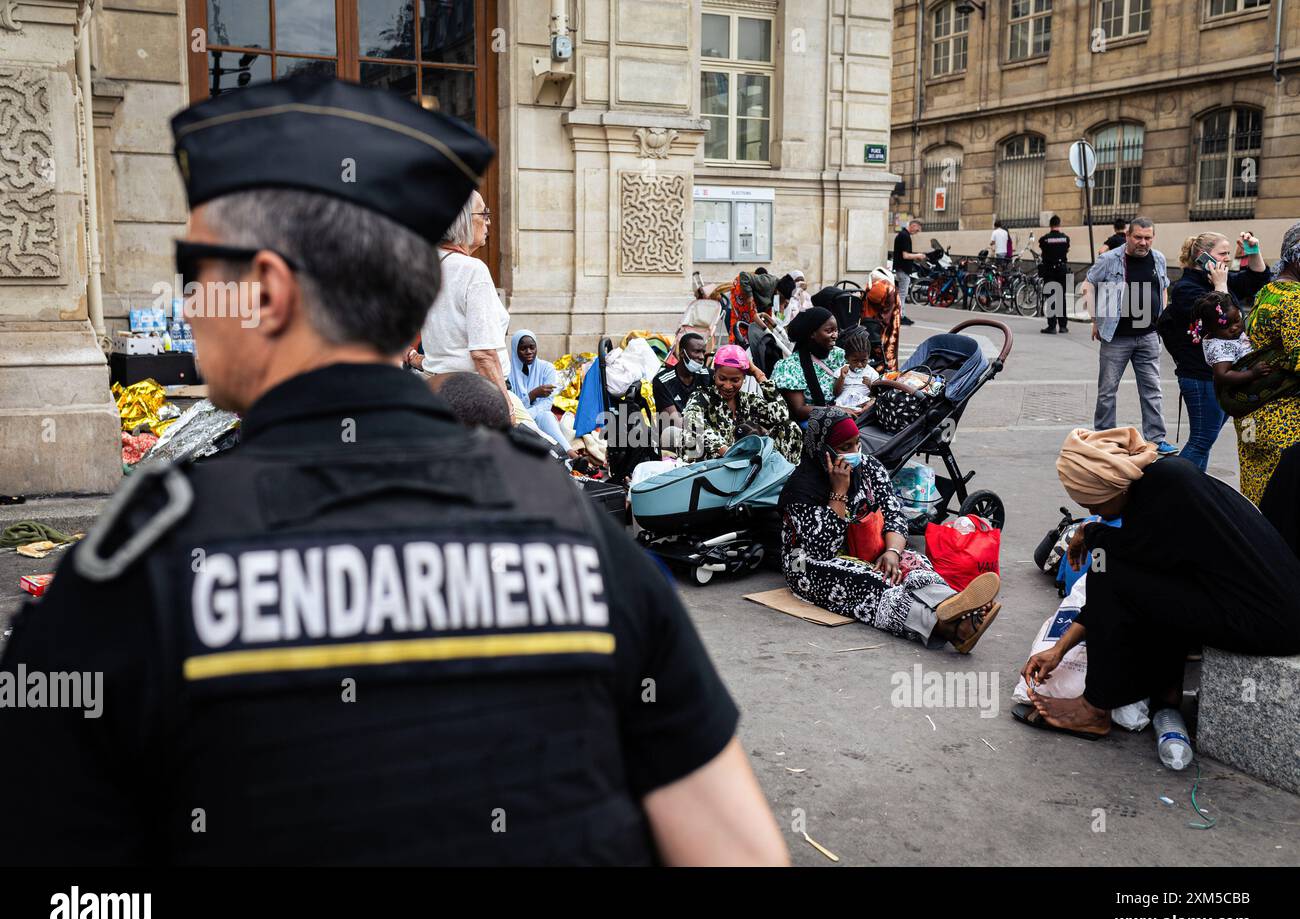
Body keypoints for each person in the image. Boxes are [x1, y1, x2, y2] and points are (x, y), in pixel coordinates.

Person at [0, 77, 788, 867]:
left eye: (197, 268)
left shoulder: (141, 571)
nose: (192, 301)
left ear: (266, 291)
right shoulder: (577, 535)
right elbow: (740, 852)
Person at [1017, 428, 1300, 738]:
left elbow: (1114, 582)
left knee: (1106, 568)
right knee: (1127, 572)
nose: (1092, 512)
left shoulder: (1164, 497)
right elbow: (1140, 581)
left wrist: (1091, 533)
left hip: (1268, 624)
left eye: (1094, 504)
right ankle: (1165, 694)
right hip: (1274, 612)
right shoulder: (1164, 478)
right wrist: (1059, 649)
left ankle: (1094, 709)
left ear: (1116, 488)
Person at [778, 409, 1001, 652]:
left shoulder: (869, 467)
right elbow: (823, 548)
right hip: (811, 565)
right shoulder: (800, 490)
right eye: (845, 446)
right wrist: (839, 491)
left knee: (913, 562)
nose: (855, 453)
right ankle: (950, 627)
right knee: (872, 581)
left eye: (857, 443)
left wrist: (893, 552)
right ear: (823, 448)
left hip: (866, 546)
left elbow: (894, 514)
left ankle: (952, 603)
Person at [1157, 231, 1270, 472]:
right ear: (1203, 256)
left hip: (1222, 376)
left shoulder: (1219, 279)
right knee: (1200, 441)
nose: (1227, 259)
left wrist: (1254, 251)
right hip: (1199, 376)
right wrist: (1220, 285)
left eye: (1229, 253)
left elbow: (1258, 279)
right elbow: (1224, 321)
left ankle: (1193, 493)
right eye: (1223, 253)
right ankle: (1172, 489)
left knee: (1205, 442)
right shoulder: (1186, 289)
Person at [1080, 217, 1177, 455]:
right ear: (1127, 236)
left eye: (1148, 238)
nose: (1143, 242)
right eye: (1138, 237)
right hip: (1117, 337)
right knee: (1107, 391)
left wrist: (1161, 318)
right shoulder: (1109, 259)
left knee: (1152, 389)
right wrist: (1095, 319)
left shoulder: (1158, 258)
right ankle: (1104, 438)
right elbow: (1088, 285)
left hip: (1148, 335)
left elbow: (1163, 287)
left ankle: (1156, 439)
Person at [407, 189, 510, 402]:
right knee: (541, 437)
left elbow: (444, 345)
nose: (488, 222)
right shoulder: (472, 270)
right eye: (483, 214)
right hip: (477, 393)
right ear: (463, 221)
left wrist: (414, 358)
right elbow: (483, 354)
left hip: (437, 389)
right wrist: (506, 407)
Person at [1237, 221, 1300, 504]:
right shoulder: (1295, 299)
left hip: (1254, 408)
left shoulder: (1269, 291)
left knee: (1255, 490)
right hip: (1284, 417)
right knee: (1282, 497)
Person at [681, 344, 802, 464]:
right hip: (714, 464)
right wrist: (725, 450)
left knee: (790, 427)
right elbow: (691, 422)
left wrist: (758, 374)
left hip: (747, 463)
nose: (728, 386)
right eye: (722, 379)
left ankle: (784, 475)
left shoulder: (749, 400)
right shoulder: (702, 396)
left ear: (744, 379)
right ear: (714, 375)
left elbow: (781, 417)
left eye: (735, 380)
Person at [772, 307, 846, 422]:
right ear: (812, 333)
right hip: (818, 422)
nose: (835, 335)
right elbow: (800, 410)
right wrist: (836, 411)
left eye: (836, 330)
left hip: (846, 409)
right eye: (829, 331)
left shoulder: (839, 354)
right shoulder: (790, 366)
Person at [507, 329, 569, 448]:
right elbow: (513, 406)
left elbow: (546, 403)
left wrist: (528, 414)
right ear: (515, 350)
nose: (529, 352)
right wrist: (533, 395)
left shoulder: (547, 368)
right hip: (518, 420)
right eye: (523, 348)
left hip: (539, 417)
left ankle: (569, 452)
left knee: (546, 416)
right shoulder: (507, 372)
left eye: (532, 347)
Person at [652, 331, 710, 426]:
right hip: (675, 434)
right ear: (683, 353)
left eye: (703, 352)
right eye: (697, 351)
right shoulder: (663, 380)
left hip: (704, 431)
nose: (702, 357)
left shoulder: (706, 375)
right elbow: (676, 421)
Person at [1037, 214, 1071, 334]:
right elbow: (1066, 250)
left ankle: (1052, 326)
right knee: (1061, 297)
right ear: (1059, 224)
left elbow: (1043, 250)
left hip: (1049, 271)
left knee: (1051, 298)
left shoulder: (1044, 239)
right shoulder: (1065, 239)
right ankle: (1063, 326)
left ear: (1050, 225)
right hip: (1062, 270)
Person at [833, 325, 879, 410]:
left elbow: (876, 394)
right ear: (847, 358)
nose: (860, 365)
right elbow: (836, 393)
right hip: (843, 405)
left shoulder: (872, 373)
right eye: (855, 361)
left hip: (863, 405)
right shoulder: (842, 371)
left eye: (864, 361)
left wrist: (870, 385)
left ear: (868, 357)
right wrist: (841, 378)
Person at [892, 219, 925, 326]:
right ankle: (900, 316)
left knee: (902, 293)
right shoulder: (905, 236)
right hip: (903, 269)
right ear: (913, 225)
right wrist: (918, 255)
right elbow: (905, 255)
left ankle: (901, 315)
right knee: (902, 294)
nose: (917, 232)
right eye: (917, 229)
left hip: (901, 268)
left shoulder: (902, 235)